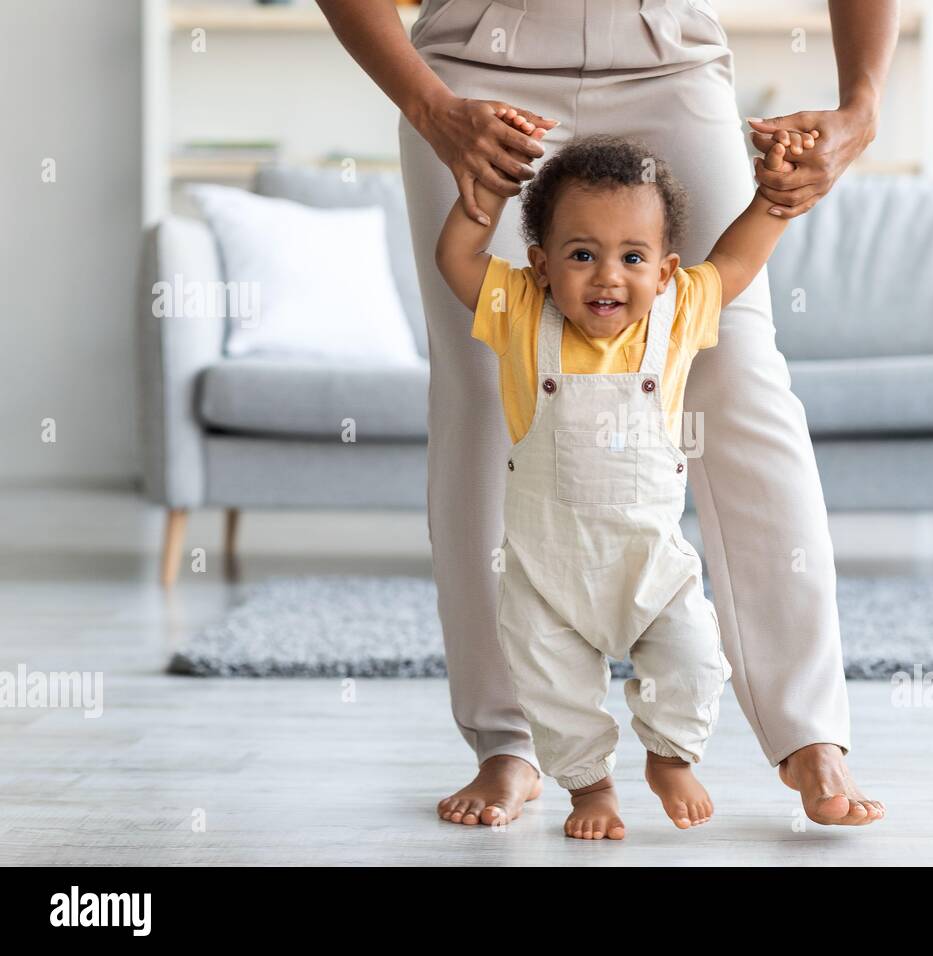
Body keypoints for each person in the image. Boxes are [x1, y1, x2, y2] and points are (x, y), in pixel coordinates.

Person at [316, 0, 898, 827]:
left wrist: (863, 107)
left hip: (671, 61)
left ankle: (810, 734)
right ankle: (508, 740)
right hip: (478, 70)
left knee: (739, 370)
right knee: (488, 386)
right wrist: (432, 107)